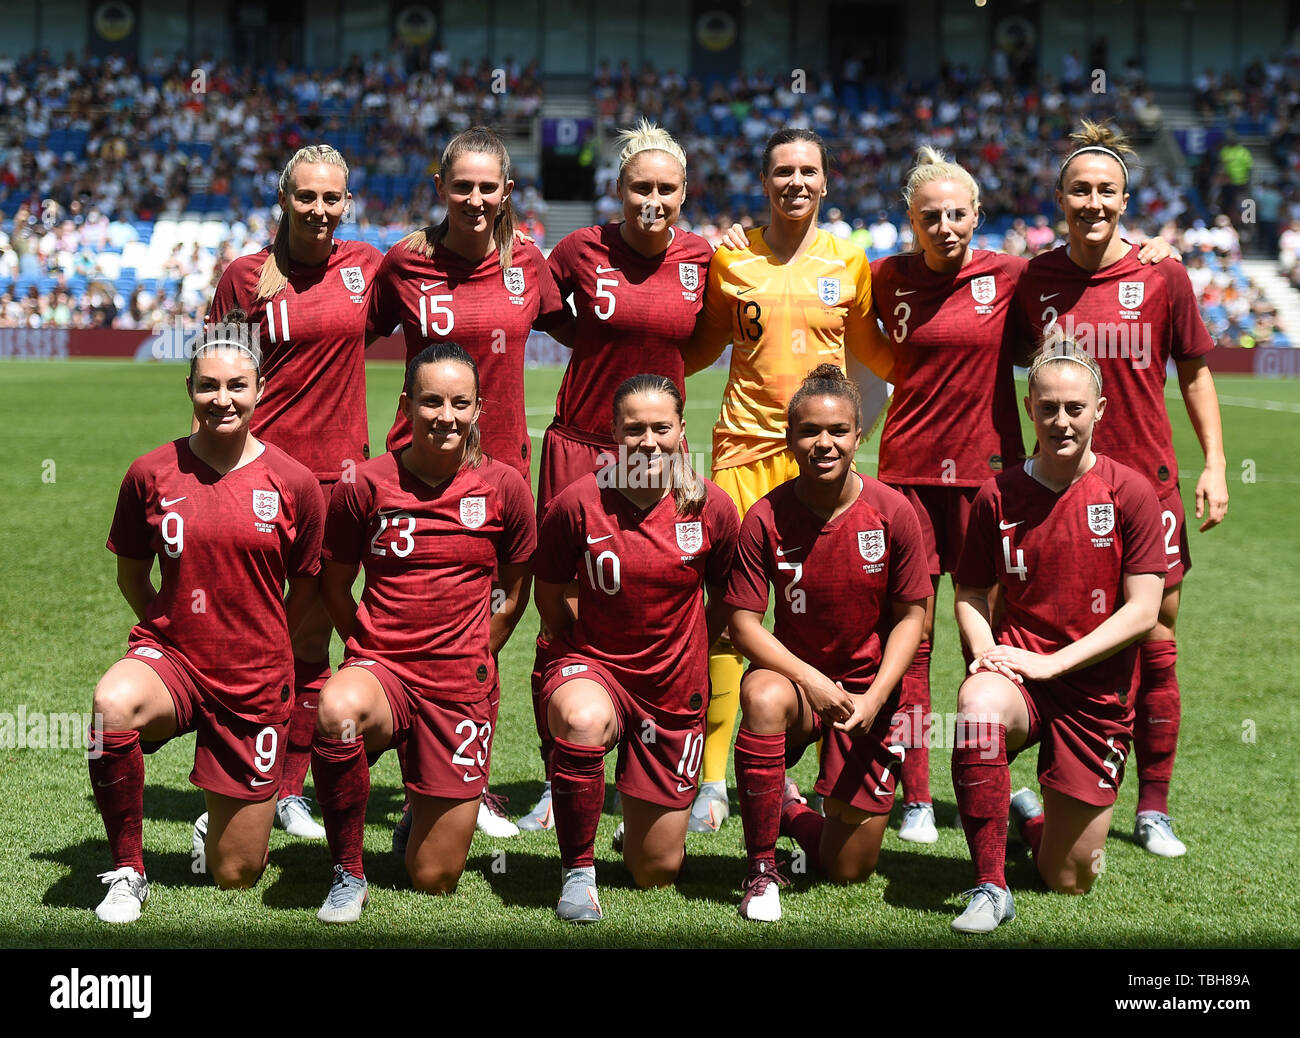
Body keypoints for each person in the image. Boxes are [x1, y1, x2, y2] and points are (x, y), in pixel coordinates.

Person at [872, 147, 1177, 843]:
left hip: (990, 475)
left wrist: (1152, 249)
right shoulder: (883, 277)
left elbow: (1084, 275)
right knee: (911, 636)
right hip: (908, 475)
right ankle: (916, 795)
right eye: (930, 216)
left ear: (979, 216)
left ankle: (1035, 787)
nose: (946, 225)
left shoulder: (1014, 275)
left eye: (958, 213)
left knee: (1008, 628)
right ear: (910, 220)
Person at [1014, 121, 1229, 858]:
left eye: (1106, 191)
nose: (1093, 202)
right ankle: (1060, 784)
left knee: (1157, 642)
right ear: (1060, 198)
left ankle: (1154, 806)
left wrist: (1217, 464)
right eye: (1081, 190)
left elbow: (1196, 368)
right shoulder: (1035, 279)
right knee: (1060, 634)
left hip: (1151, 488)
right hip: (1060, 494)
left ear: (1126, 199)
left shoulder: (1162, 275)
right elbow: (992, 361)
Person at [681, 127, 895, 834]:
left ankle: (816, 764)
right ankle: (713, 781)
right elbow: (698, 346)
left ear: (826, 182)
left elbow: (876, 355)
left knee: (833, 608)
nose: (795, 182)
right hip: (743, 455)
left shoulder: (851, 262)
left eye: (808, 171)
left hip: (824, 458)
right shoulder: (729, 259)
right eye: (783, 171)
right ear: (764, 181)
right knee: (725, 618)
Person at [91, 319, 325, 922]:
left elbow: (306, 593)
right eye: (208, 386)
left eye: (236, 386)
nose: (222, 399)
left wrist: (266, 642)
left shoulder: (295, 483)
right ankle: (127, 870)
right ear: (188, 388)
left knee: (236, 876)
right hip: (174, 659)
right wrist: (172, 627)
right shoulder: (150, 473)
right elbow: (131, 576)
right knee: (111, 704)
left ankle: (218, 821)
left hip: (254, 675)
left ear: (260, 390)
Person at [367, 126, 565, 839]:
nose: (475, 199)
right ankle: (419, 772)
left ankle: (463, 774)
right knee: (406, 627)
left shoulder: (529, 267)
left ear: (507, 191)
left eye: (489, 187)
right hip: (413, 479)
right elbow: (338, 338)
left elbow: (604, 325)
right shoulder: (404, 265)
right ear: (441, 187)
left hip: (503, 477)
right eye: (463, 186)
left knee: (486, 629)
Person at [518, 119, 714, 831]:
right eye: (640, 187)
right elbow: (542, 309)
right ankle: (558, 770)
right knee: (562, 605)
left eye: (666, 189)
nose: (653, 200)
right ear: (618, 188)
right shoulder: (578, 250)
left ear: (685, 192)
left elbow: (704, 337)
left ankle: (663, 768)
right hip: (580, 446)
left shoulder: (702, 260)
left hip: (662, 456)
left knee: (663, 602)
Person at [310, 342, 535, 923]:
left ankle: (420, 808)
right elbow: (334, 586)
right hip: (383, 672)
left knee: (433, 878)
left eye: (460, 403)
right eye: (431, 401)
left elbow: (514, 589)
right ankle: (348, 872)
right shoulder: (365, 483)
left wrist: (482, 649)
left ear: (479, 408)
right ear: (406, 405)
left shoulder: (506, 487)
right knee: (337, 708)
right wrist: (366, 645)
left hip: (459, 683)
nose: (446, 416)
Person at [948, 341, 1166, 933]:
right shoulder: (998, 494)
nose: (1061, 422)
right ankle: (990, 886)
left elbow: (1144, 610)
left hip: (1095, 693)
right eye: (1048, 409)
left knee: (1069, 879)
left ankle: (1028, 815)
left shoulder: (1131, 493)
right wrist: (985, 651)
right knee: (978, 708)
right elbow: (968, 591)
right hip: (1019, 677)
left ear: (1100, 409)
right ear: (1029, 409)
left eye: (1074, 408)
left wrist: (1057, 664)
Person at [208, 143, 383, 841]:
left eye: (331, 198)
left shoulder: (367, 268)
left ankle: (288, 788)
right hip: (262, 482)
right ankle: (234, 777)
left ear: (347, 204)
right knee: (253, 641)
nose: (318, 210)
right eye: (305, 197)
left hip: (342, 487)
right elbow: (214, 381)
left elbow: (441, 270)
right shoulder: (245, 277)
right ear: (282, 199)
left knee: (309, 638)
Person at [724, 365, 930, 921]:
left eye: (837, 430)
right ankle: (761, 869)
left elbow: (914, 616)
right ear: (789, 439)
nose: (824, 442)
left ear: (858, 435)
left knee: (847, 868)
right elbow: (743, 623)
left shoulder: (892, 513)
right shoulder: (765, 516)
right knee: (762, 696)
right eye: (809, 430)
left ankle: (788, 807)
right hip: (796, 684)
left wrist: (875, 697)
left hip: (868, 691)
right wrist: (811, 680)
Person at [532, 374, 739, 922]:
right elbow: (547, 592)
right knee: (581, 717)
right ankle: (578, 874)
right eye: (634, 429)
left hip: (672, 690)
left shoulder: (712, 508)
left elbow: (727, 601)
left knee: (655, 872)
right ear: (613, 436)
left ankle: (640, 829)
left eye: (661, 428)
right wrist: (578, 645)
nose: (649, 441)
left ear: (680, 431)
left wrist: (693, 643)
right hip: (595, 668)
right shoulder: (578, 502)